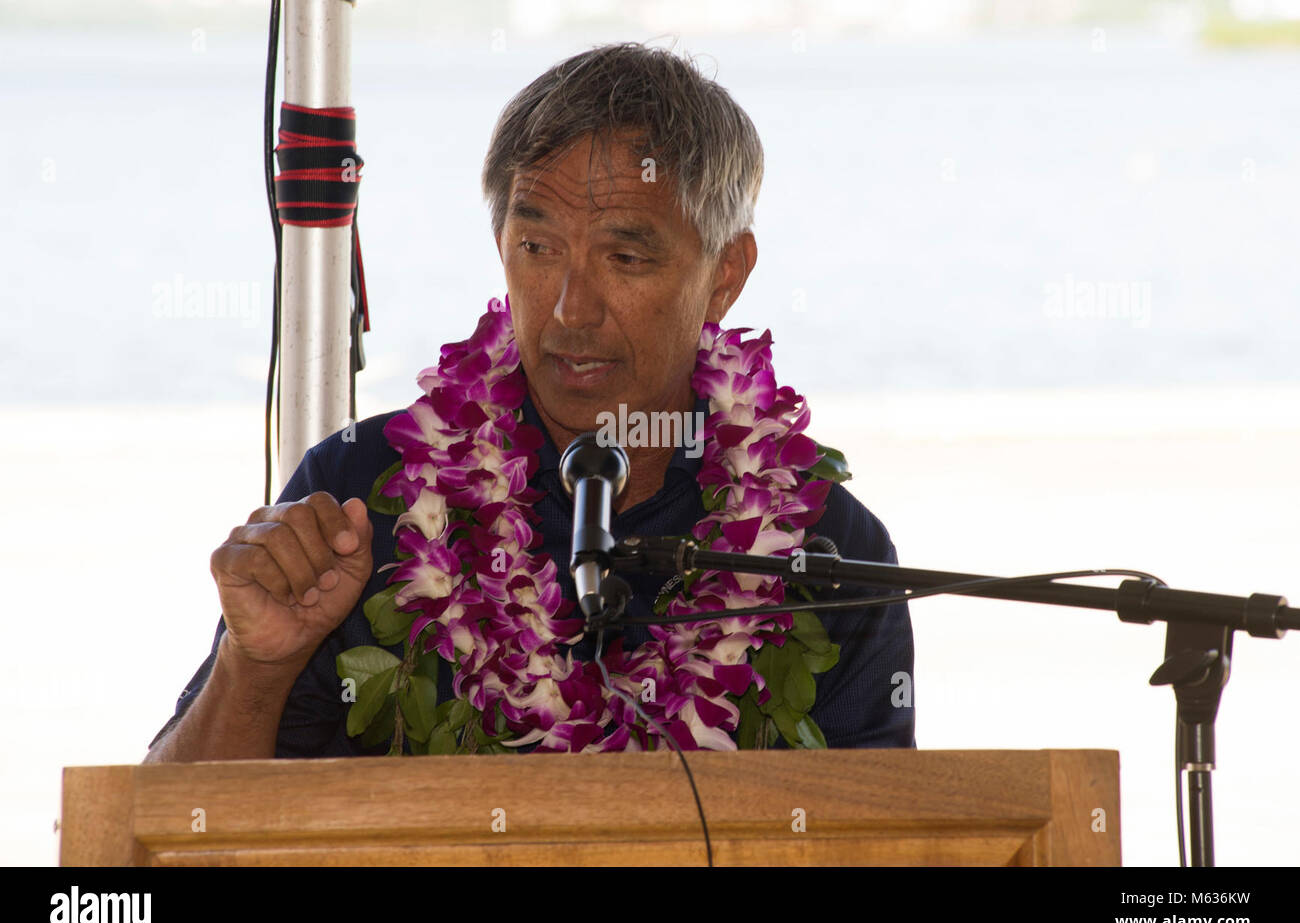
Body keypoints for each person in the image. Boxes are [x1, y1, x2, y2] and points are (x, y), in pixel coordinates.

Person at [144, 41, 915, 763]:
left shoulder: (828, 555)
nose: (571, 309)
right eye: (537, 249)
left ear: (725, 274)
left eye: (625, 256)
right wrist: (254, 670)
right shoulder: (362, 495)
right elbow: (160, 845)